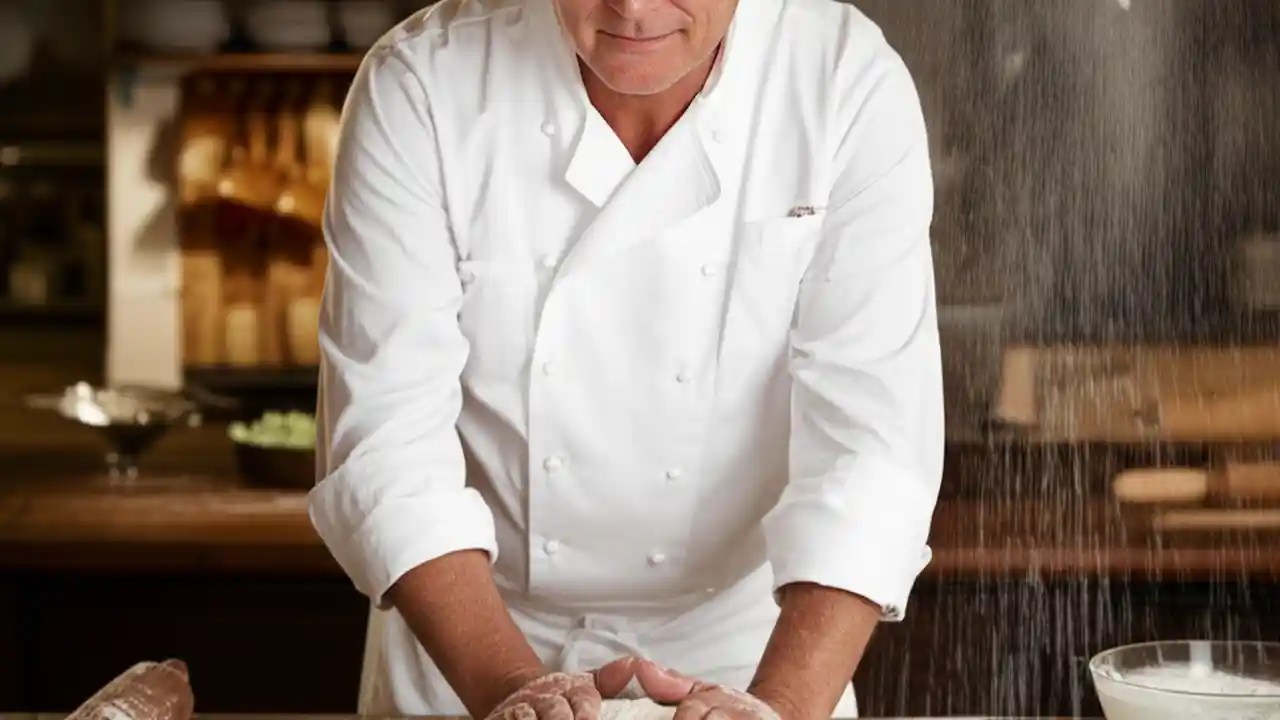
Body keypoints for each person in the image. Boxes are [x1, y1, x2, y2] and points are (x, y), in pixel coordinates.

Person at [310, 0, 944, 717]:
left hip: (748, 651)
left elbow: (871, 448)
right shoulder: (425, 81)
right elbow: (387, 443)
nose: (634, 8)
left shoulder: (840, 77)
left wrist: (783, 706)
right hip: (468, 647)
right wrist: (509, 690)